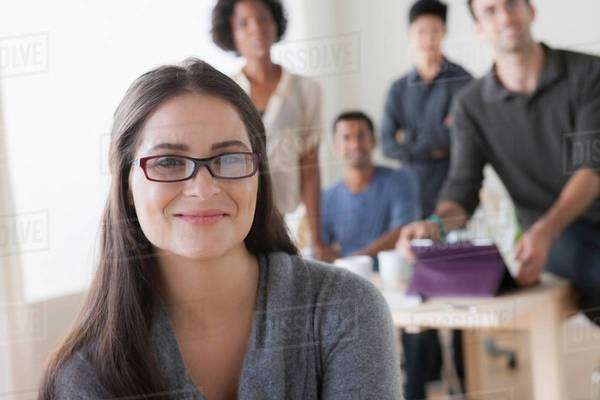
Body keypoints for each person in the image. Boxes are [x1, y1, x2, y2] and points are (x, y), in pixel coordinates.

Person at [38, 60, 401, 399]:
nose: (204, 188)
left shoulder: (348, 310)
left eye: (229, 158)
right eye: (167, 161)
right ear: (126, 186)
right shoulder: (83, 373)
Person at [398, 0, 600, 323]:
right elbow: (462, 188)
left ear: (531, 9)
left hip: (559, 229)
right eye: (490, 11)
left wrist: (546, 231)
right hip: (555, 241)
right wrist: (434, 226)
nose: (505, 16)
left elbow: (592, 169)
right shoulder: (470, 106)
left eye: (512, 3)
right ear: (478, 28)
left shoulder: (590, 72)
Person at [211, 0, 329, 260]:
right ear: (231, 33)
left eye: (263, 18)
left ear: (276, 24)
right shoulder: (223, 93)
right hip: (238, 220)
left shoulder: (307, 91)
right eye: (244, 23)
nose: (257, 28)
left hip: (286, 219)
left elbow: (310, 167)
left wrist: (318, 238)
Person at [381, 0, 473, 217]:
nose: (428, 38)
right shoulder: (398, 89)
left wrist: (409, 137)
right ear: (409, 34)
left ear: (445, 32)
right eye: (421, 31)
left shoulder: (464, 81)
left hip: (453, 191)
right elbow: (387, 144)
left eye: (435, 30)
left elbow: (467, 138)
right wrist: (437, 143)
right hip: (409, 191)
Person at [319, 111, 421, 264]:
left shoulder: (401, 180)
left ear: (373, 141)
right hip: (348, 279)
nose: (355, 144)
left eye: (361, 136)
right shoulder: (327, 197)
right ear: (335, 146)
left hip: (395, 275)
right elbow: (321, 247)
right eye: (346, 138)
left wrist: (354, 260)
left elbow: (403, 231)